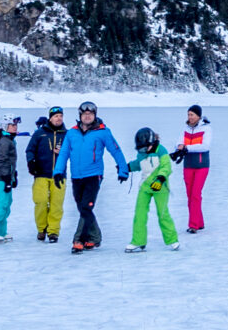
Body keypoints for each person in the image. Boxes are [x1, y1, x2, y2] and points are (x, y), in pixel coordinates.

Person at [61, 101, 129, 253]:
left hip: (94, 175)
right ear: (80, 115)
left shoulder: (103, 132)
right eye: (85, 114)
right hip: (76, 177)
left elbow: (116, 150)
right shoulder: (72, 132)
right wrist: (59, 172)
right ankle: (94, 237)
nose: (87, 116)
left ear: (94, 115)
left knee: (86, 207)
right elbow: (64, 153)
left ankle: (78, 240)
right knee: (83, 208)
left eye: (90, 114)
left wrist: (122, 169)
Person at [124, 126, 180, 253]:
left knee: (162, 214)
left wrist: (160, 179)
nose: (143, 150)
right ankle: (138, 241)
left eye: (145, 147)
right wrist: (126, 168)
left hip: (160, 187)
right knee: (139, 214)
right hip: (145, 187)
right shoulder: (142, 153)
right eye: (141, 148)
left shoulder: (161, 150)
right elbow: (138, 164)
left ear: (152, 141)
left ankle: (172, 239)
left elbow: (166, 166)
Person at [25, 107, 69, 243]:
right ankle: (41, 229)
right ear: (50, 118)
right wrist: (31, 163)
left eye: (60, 116)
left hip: (59, 175)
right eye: (56, 116)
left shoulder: (67, 134)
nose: (59, 119)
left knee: (56, 205)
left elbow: (74, 152)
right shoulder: (40, 133)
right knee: (41, 202)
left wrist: (62, 152)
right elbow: (30, 150)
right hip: (41, 173)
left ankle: (53, 232)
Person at [173, 105, 210, 231]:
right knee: (190, 195)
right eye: (188, 114)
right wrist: (179, 148)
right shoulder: (185, 129)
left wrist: (188, 148)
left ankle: (193, 225)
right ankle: (199, 222)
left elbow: (205, 146)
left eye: (192, 115)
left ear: (198, 116)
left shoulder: (206, 129)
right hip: (188, 165)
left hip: (201, 165)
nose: (190, 117)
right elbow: (179, 142)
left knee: (195, 194)